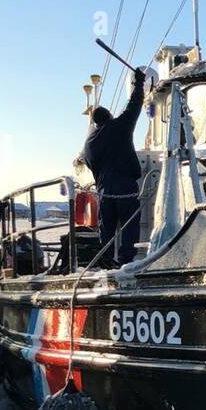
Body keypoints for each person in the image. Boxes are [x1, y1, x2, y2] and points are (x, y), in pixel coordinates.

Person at [82, 69, 146, 265]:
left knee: (106, 228)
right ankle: (126, 260)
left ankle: (107, 261)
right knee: (129, 224)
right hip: (124, 186)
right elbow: (134, 107)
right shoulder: (119, 127)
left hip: (103, 190)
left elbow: (88, 162)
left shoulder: (89, 143)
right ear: (109, 116)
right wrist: (139, 84)